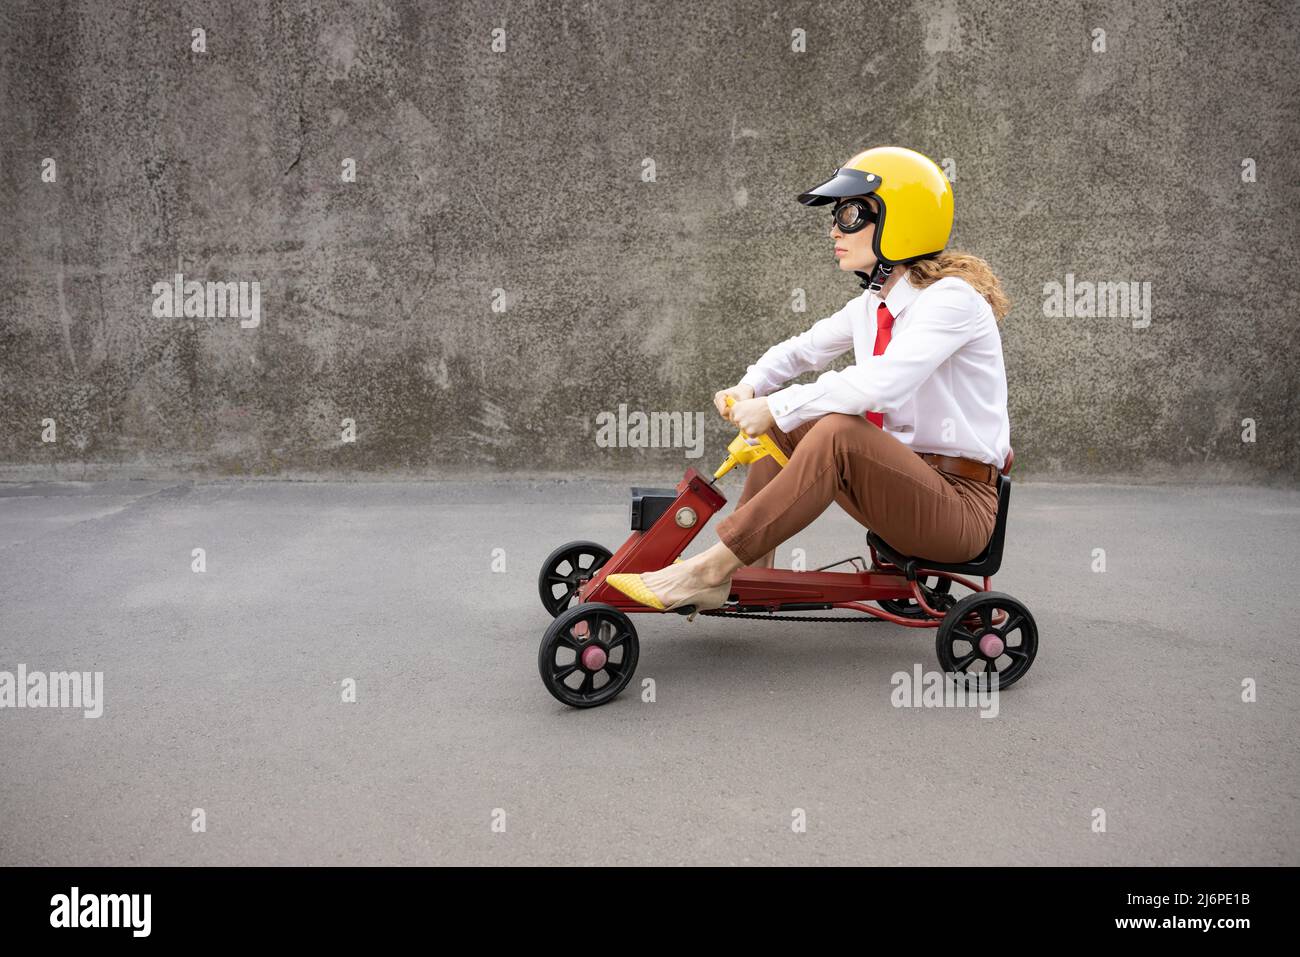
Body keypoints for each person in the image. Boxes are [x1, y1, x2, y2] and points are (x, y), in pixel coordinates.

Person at [606, 146, 1012, 617]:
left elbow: (881, 384)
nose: (835, 229)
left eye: (852, 213)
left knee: (838, 430)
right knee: (782, 426)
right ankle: (745, 573)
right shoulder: (872, 306)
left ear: (902, 222)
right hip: (908, 485)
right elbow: (803, 349)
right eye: (838, 216)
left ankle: (709, 569)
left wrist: (779, 404)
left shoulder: (950, 301)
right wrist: (752, 387)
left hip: (959, 509)